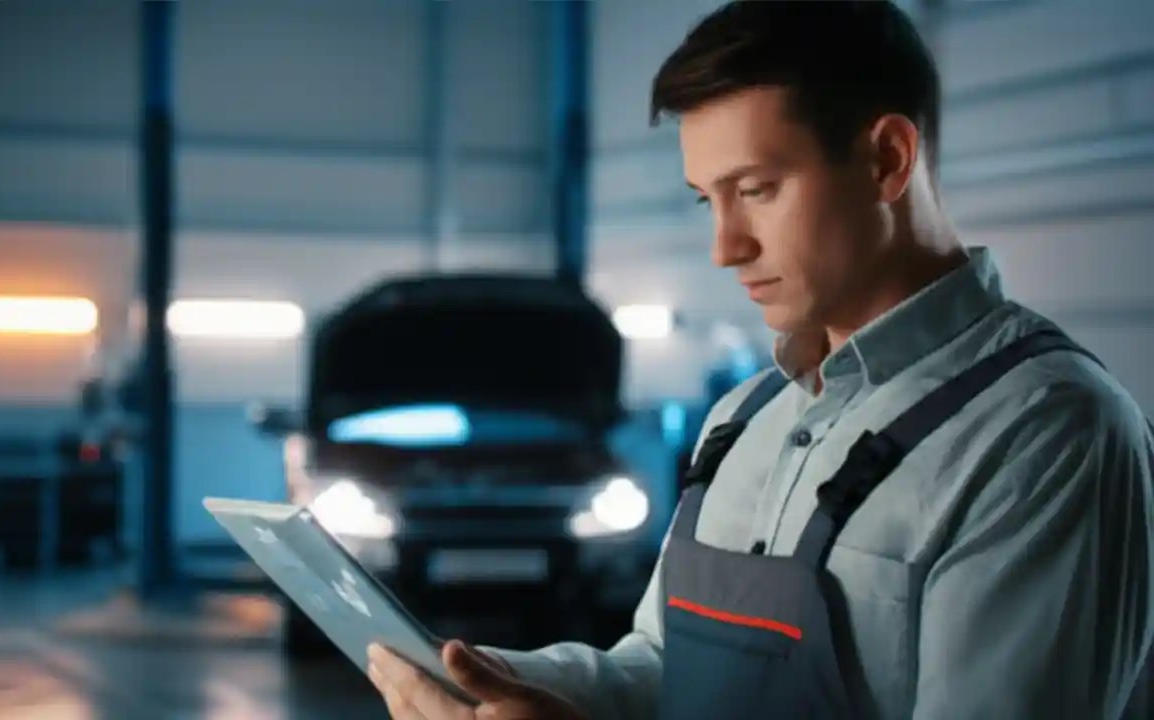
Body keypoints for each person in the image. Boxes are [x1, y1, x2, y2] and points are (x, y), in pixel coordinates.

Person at [365, 1, 1154, 718]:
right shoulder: (743, 421)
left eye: (758, 188)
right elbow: (662, 668)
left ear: (887, 159)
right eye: (710, 199)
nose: (725, 247)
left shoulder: (1046, 434)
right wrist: (483, 681)